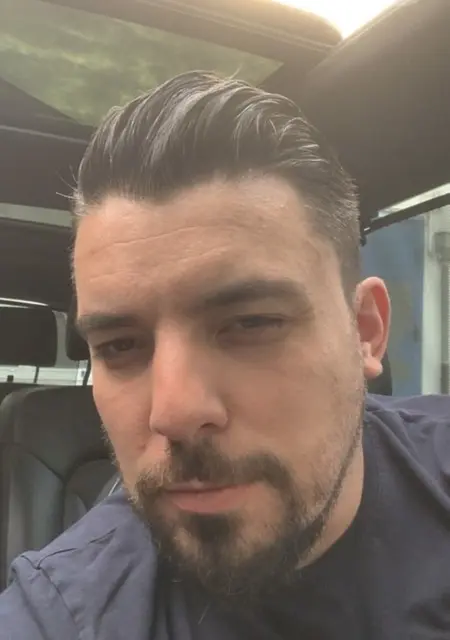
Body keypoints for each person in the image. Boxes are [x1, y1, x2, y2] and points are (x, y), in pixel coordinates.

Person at [0, 71, 450, 639]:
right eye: (120, 346)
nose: (174, 412)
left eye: (250, 323)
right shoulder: (62, 614)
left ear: (365, 330)